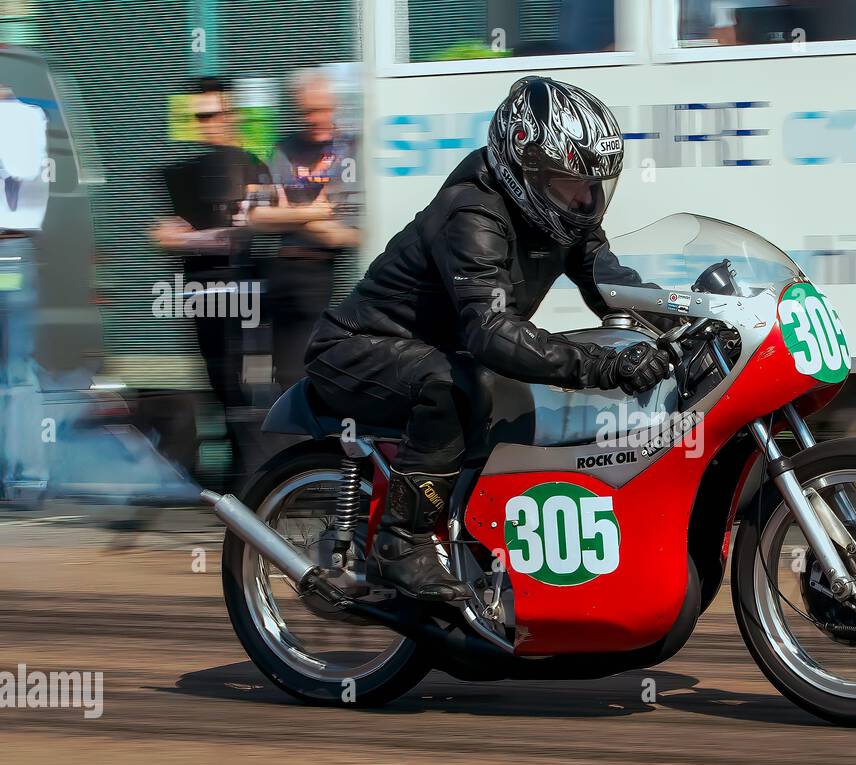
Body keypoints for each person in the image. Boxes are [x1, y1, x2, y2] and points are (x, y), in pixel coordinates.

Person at [305, 75, 673, 603]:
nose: (587, 198)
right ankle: (400, 546)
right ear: (527, 171)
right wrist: (602, 366)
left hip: (440, 351)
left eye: (596, 184)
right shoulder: (473, 213)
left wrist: (685, 324)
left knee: (517, 401)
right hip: (357, 347)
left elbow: (613, 287)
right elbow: (490, 332)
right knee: (453, 385)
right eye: (572, 182)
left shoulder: (566, 212)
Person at [153, 76, 272, 491]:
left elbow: (246, 232)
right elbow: (165, 235)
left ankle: (253, 484)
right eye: (199, 117)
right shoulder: (180, 174)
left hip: (246, 292)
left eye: (214, 114)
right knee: (218, 385)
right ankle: (236, 484)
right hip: (201, 292)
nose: (207, 124)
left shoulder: (254, 164)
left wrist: (192, 237)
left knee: (248, 390)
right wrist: (205, 237)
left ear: (231, 115)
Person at [251, 68, 361, 392]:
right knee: (286, 374)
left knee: (322, 370)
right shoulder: (283, 150)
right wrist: (316, 210)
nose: (315, 118)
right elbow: (256, 217)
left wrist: (287, 213)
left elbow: (351, 233)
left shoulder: (351, 151)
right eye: (307, 111)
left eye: (323, 109)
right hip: (283, 270)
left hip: (333, 272)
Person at [0, 82, 50, 505]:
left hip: (7, 253)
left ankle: (26, 478)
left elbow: (20, 167)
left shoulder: (24, 117)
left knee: (16, 369)